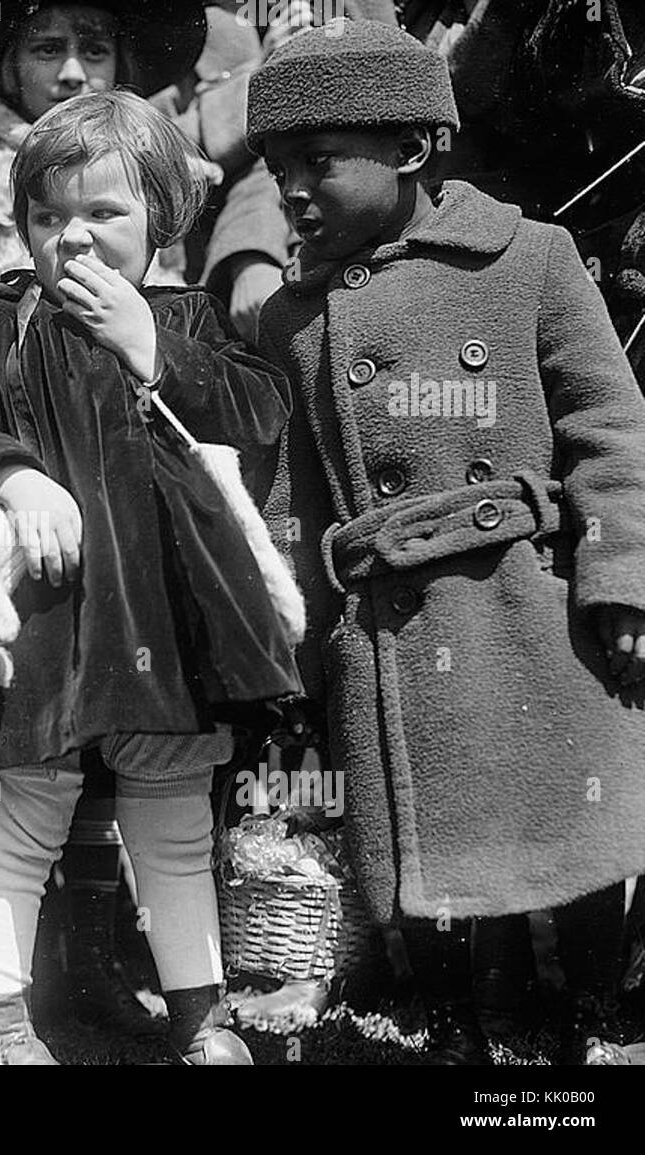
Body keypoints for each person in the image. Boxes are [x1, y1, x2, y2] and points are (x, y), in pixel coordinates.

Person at [250, 19, 645, 1064]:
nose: (292, 189)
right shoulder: (290, 318)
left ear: (414, 149)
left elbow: (608, 430)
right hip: (385, 614)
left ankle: (584, 996)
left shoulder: (529, 260)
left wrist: (618, 578)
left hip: (529, 597)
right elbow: (289, 492)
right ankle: (471, 995)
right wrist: (296, 630)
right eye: (277, 166)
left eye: (318, 161)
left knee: (557, 803)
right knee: (435, 821)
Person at [0, 90, 302, 1065]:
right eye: (48, 216)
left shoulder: (190, 317)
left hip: (164, 616)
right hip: (46, 619)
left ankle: (202, 1019)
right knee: (24, 813)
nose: (71, 238)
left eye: (102, 214)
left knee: (167, 826)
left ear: (161, 216)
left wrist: (148, 346)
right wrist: (13, 473)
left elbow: (259, 410)